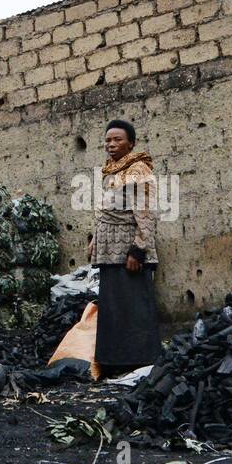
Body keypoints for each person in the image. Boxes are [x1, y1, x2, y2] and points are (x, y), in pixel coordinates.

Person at [88, 119, 163, 375]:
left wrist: (138, 250)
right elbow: (106, 211)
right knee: (115, 305)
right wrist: (96, 239)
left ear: (131, 143)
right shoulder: (112, 170)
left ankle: (141, 362)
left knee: (133, 305)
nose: (111, 144)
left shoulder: (138, 169)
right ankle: (115, 362)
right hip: (110, 250)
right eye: (108, 139)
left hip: (128, 250)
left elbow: (146, 211)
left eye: (118, 139)